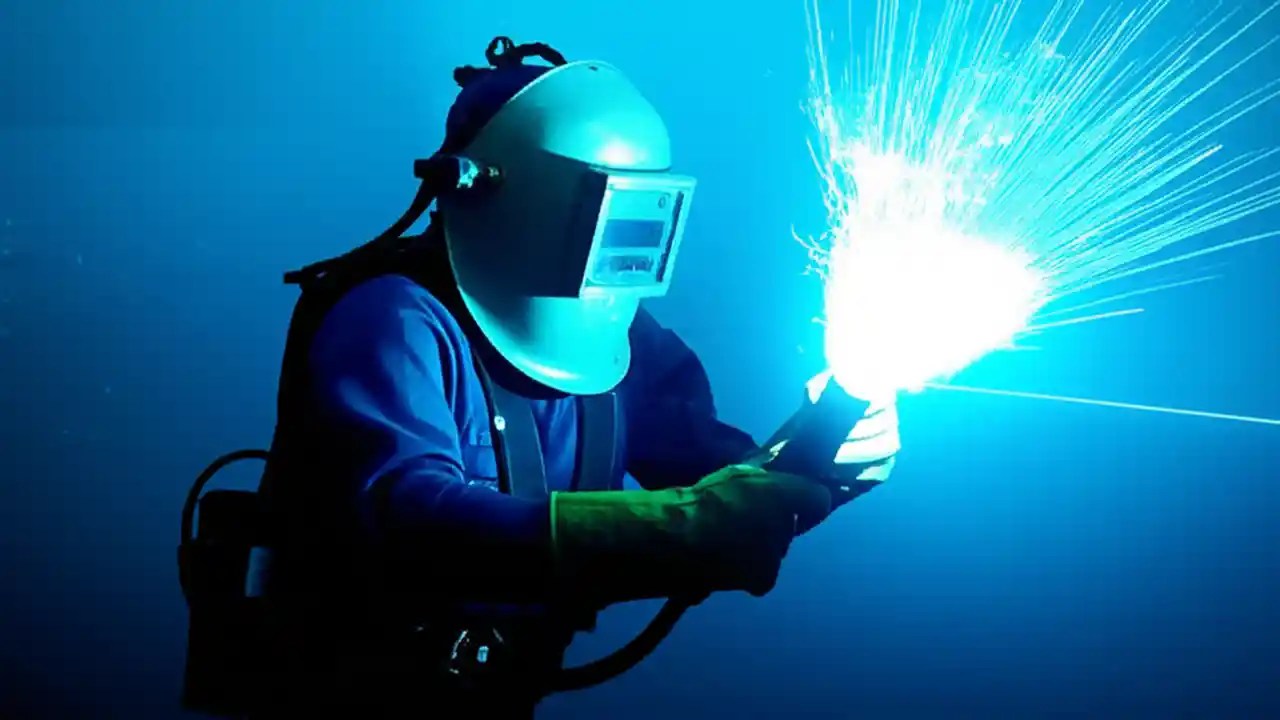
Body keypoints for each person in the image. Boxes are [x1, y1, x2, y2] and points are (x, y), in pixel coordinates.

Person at [253, 37, 901, 718]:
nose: (618, 262)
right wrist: (688, 527)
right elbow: (411, 522)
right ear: (527, 201)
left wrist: (825, 450)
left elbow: (723, 485)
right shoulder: (390, 318)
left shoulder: (622, 339)